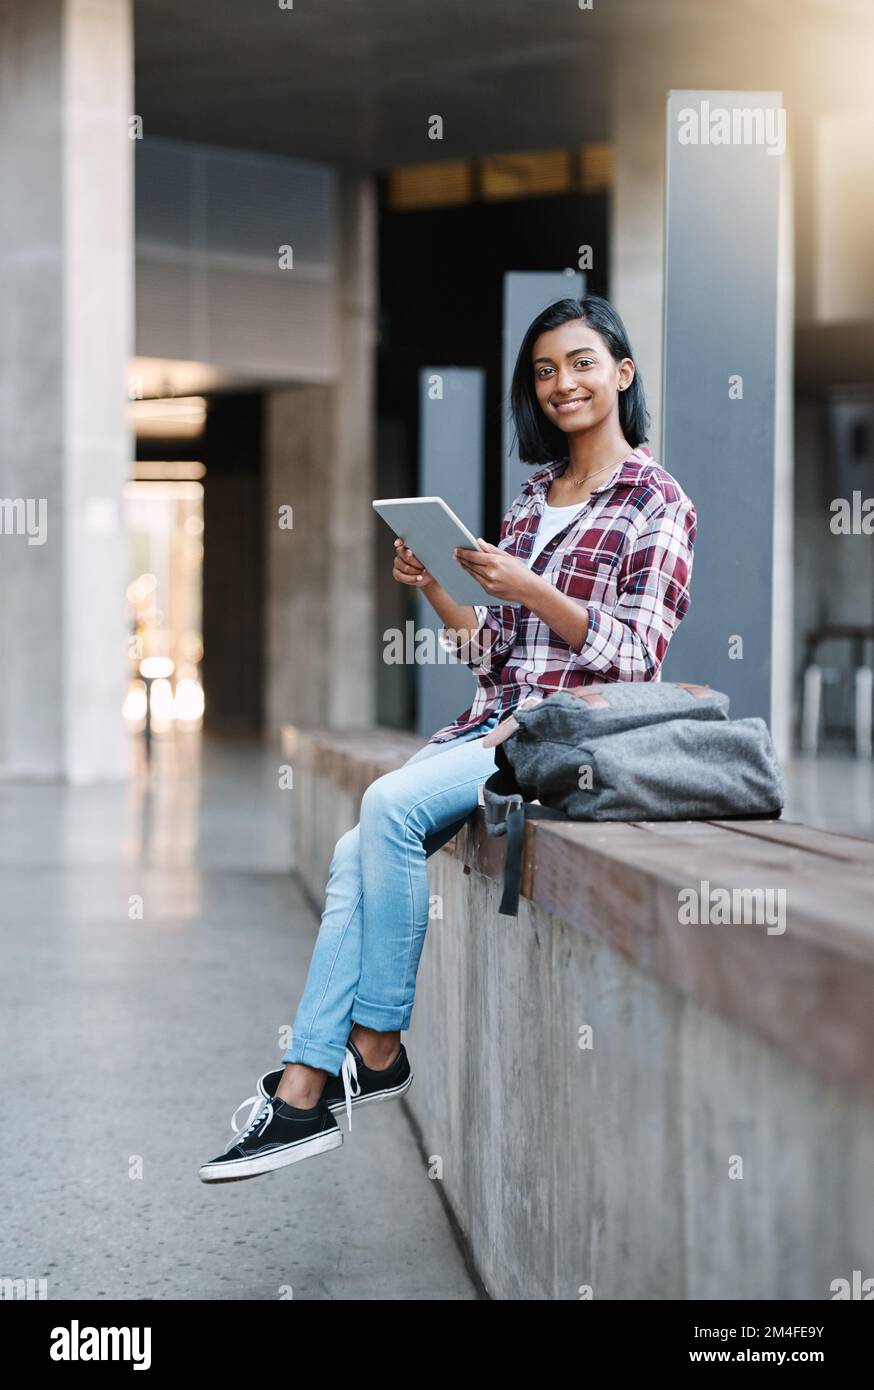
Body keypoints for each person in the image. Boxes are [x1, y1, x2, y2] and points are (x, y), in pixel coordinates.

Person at [199, 294, 697, 1183]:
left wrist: (531, 585)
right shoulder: (533, 497)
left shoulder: (659, 503)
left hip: (567, 740)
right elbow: (492, 652)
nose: (562, 384)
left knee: (386, 804)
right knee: (358, 846)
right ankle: (305, 1091)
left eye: (582, 363)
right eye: (544, 370)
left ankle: (380, 1042)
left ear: (622, 374)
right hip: (496, 722)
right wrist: (437, 587)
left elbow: (635, 655)